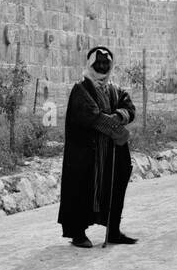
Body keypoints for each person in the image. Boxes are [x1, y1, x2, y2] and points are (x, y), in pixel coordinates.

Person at [56, 46, 138, 248]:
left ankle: (113, 231)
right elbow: (90, 115)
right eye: (98, 63)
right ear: (90, 64)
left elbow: (130, 109)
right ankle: (78, 233)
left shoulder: (115, 89)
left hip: (111, 152)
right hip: (86, 152)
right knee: (82, 188)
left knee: (115, 186)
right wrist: (112, 124)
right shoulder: (81, 89)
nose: (102, 66)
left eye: (106, 63)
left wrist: (118, 116)